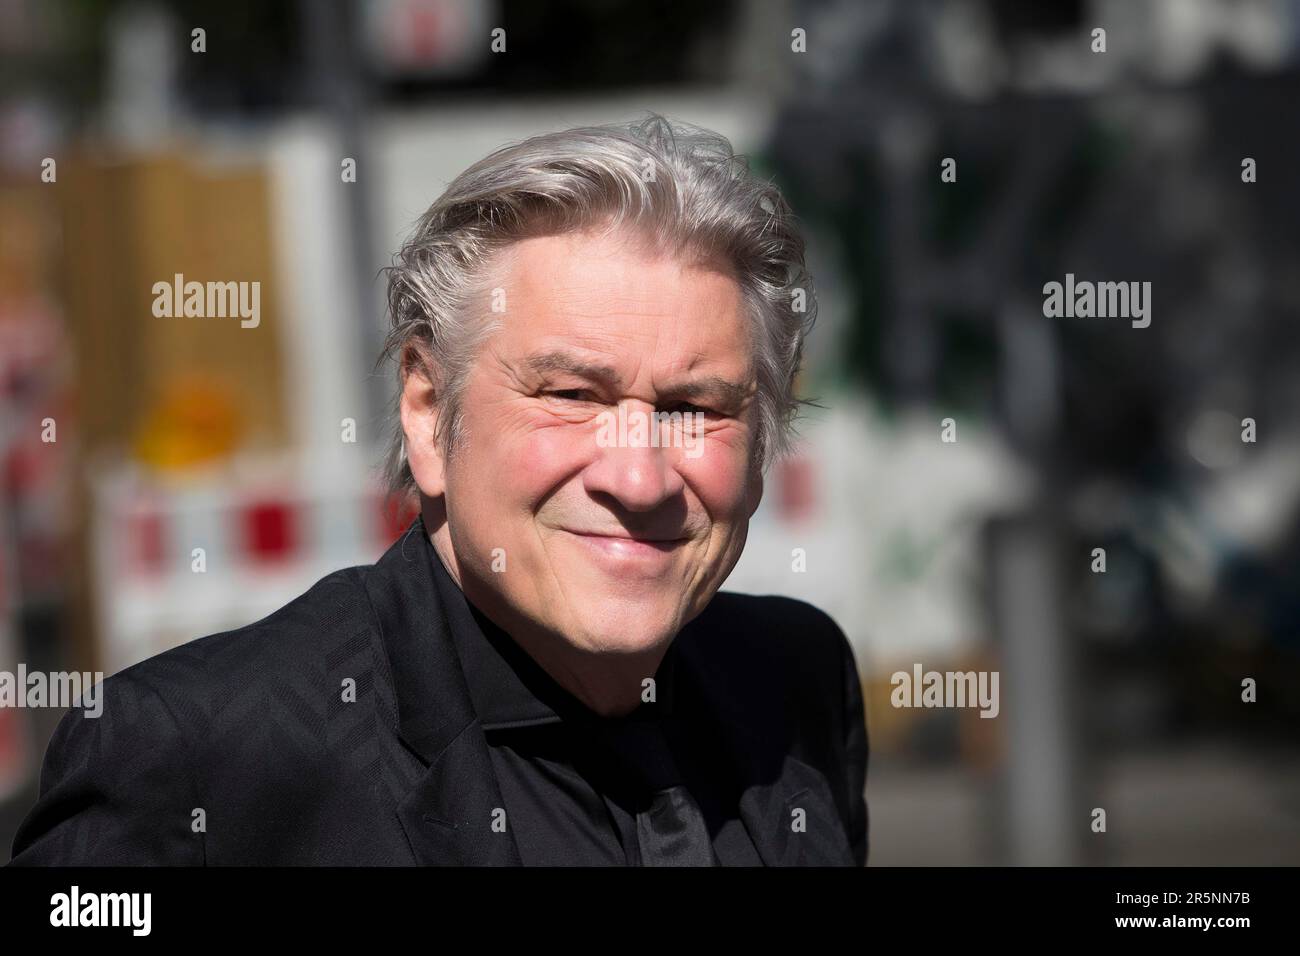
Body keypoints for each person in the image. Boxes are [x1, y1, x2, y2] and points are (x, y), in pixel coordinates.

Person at [9, 114, 868, 866]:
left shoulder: (793, 684)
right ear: (427, 410)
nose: (637, 476)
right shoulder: (198, 754)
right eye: (570, 397)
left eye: (693, 407)